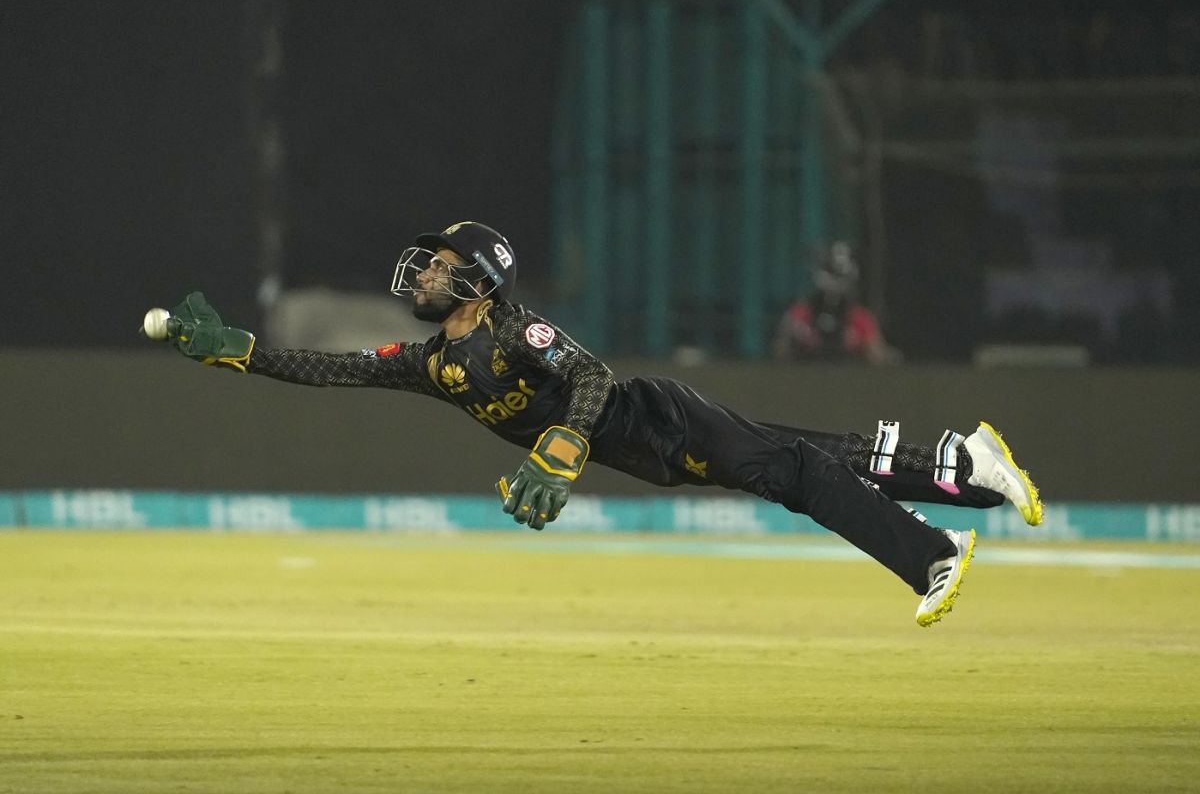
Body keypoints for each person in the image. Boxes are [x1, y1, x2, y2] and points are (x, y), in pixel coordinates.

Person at [149, 221, 1043, 627]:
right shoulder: (433, 363)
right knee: (807, 456)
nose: (422, 272)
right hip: (648, 453)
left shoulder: (516, 328)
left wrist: (564, 449)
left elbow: (588, 374)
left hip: (654, 418)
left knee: (800, 477)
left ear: (479, 282)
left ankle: (931, 554)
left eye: (441, 264)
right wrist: (235, 348)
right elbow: (334, 367)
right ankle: (963, 465)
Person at [772, 241, 900, 365]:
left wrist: (887, 356)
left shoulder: (860, 318)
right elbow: (781, 350)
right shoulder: (799, 314)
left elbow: (876, 353)